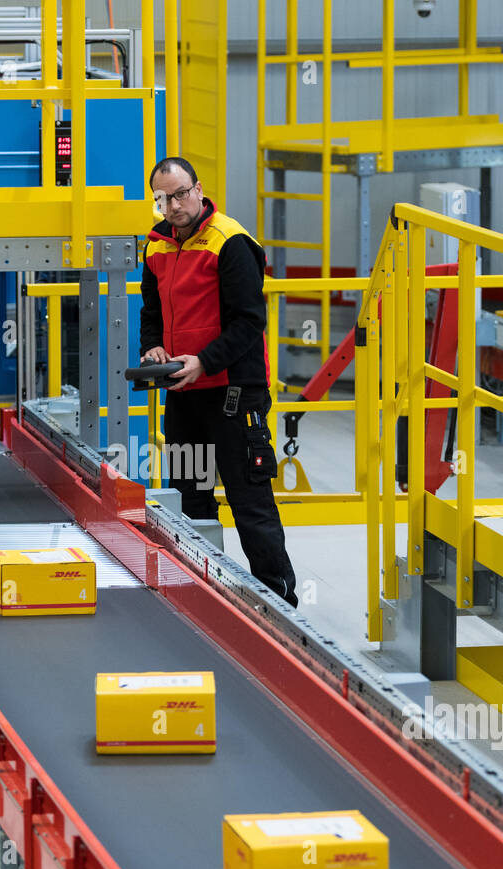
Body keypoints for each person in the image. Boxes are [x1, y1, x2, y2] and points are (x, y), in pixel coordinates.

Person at [139, 156, 298, 608]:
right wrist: (153, 348)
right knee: (191, 498)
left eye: (180, 194)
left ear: (199, 188)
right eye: (163, 198)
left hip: (233, 395)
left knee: (250, 503)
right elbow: (152, 313)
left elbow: (249, 323)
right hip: (185, 395)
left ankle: (278, 603)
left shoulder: (231, 242)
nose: (173, 206)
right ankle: (202, 596)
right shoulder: (155, 246)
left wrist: (202, 362)